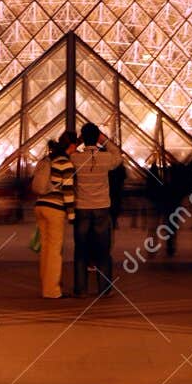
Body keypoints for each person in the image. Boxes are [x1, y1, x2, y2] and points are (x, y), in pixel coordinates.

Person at [70, 121, 123, 298]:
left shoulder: (75, 158)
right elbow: (118, 155)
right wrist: (103, 140)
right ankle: (105, 289)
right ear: (98, 137)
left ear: (83, 137)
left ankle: (80, 289)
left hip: (82, 208)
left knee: (80, 250)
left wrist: (78, 142)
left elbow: (66, 154)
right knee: (103, 251)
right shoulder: (106, 158)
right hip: (102, 207)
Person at [31, 134, 76, 299]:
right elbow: (68, 192)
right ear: (71, 146)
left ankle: (46, 284)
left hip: (40, 206)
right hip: (55, 209)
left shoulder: (49, 160)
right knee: (55, 251)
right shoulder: (65, 163)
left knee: (45, 248)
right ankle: (52, 290)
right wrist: (71, 214)